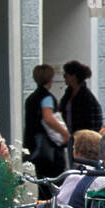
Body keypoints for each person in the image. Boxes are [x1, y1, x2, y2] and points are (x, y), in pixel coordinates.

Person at [24, 64, 69, 199]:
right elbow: (48, 118)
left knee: (39, 184)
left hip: (32, 146)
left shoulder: (31, 98)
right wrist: (65, 133)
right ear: (50, 78)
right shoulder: (47, 98)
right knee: (52, 185)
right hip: (47, 150)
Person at [59, 60, 103, 135]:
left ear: (73, 76)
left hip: (82, 136)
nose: (64, 77)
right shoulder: (68, 93)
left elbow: (93, 122)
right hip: (70, 134)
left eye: (66, 74)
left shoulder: (87, 97)